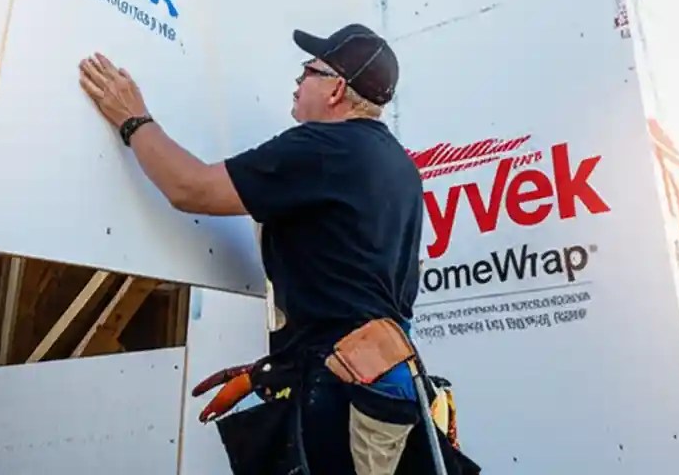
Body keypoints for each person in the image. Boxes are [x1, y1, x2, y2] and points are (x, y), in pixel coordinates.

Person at [78, 23, 479, 474]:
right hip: (380, 380)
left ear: (336, 90)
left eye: (308, 70)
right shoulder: (398, 166)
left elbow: (189, 188)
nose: (297, 80)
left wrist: (133, 119)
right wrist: (273, 368)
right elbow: (351, 296)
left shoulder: (325, 148)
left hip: (343, 385)